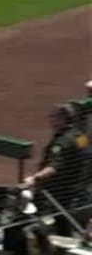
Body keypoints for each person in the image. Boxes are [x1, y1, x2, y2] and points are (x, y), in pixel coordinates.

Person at [22, 102, 90, 238]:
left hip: (57, 194)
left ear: (63, 119)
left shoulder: (62, 142)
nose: (50, 119)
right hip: (77, 189)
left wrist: (35, 178)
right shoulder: (79, 136)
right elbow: (86, 154)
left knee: (54, 225)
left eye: (54, 117)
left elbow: (54, 167)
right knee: (69, 223)